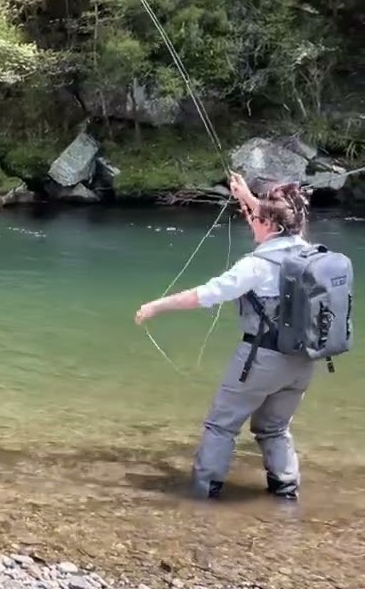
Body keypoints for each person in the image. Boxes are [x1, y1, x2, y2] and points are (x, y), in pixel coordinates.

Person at [134, 171, 315, 500]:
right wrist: (246, 196)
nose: (250, 222)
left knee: (221, 425)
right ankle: (286, 494)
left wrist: (156, 306)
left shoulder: (256, 266)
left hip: (261, 360)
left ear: (271, 225)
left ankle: (204, 493)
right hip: (304, 361)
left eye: (255, 218)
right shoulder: (308, 250)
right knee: (274, 427)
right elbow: (277, 217)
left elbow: (205, 295)